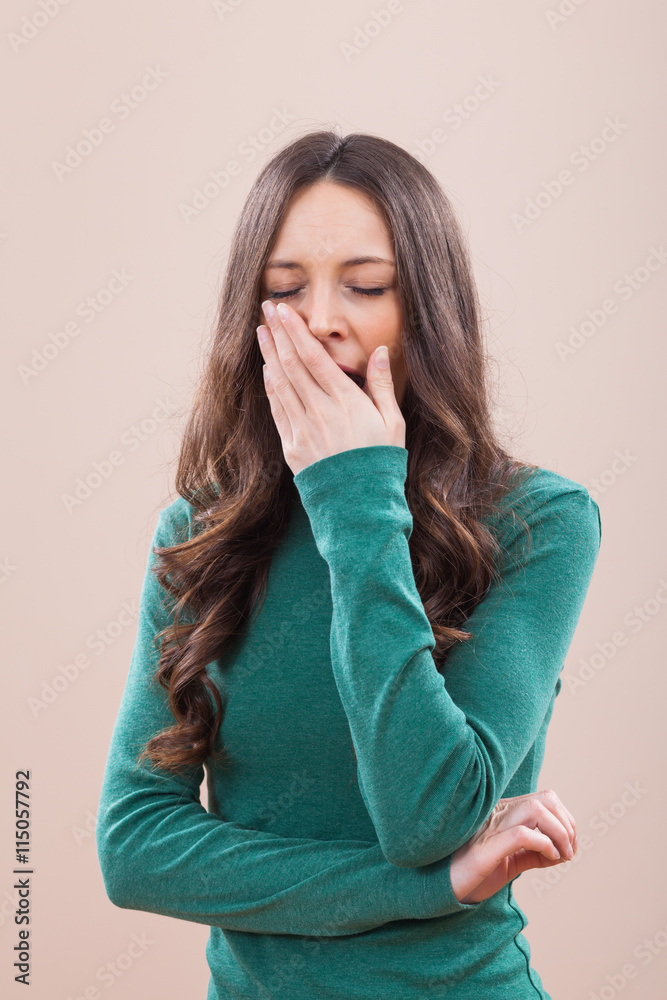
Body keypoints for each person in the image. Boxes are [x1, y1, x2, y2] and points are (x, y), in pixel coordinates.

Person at [95, 129, 602, 999]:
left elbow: (427, 818)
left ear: (428, 309)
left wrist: (356, 504)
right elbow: (136, 849)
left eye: (366, 286)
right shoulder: (202, 530)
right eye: (283, 289)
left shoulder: (538, 521)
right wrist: (427, 890)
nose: (321, 317)